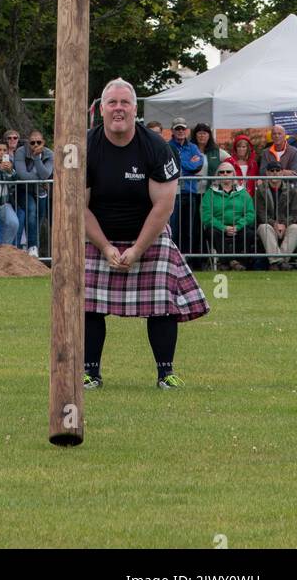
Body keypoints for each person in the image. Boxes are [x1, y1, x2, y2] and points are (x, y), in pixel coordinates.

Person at [85, 79, 209, 391]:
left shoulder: (157, 147)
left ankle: (165, 373)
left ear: (135, 109)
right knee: (86, 304)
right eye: (112, 103)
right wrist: (104, 246)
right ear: (101, 109)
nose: (118, 109)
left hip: (149, 235)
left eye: (124, 103)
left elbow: (164, 206)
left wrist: (138, 249)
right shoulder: (86, 145)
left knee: (163, 304)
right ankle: (90, 373)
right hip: (99, 235)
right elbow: (76, 206)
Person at [200, 160, 256, 269]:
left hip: (238, 227)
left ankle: (239, 261)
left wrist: (237, 226)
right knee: (212, 231)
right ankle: (229, 262)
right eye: (222, 172)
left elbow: (250, 214)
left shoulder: (243, 193)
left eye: (228, 171)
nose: (225, 174)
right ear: (217, 175)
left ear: (233, 174)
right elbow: (206, 216)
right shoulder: (210, 193)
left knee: (248, 233)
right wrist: (224, 227)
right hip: (218, 227)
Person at [14, 129, 53, 257]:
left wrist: (37, 159)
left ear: (43, 142)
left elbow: (46, 174)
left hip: (41, 191)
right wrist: (40, 178)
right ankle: (32, 246)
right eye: (32, 142)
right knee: (31, 211)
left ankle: (34, 247)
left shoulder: (49, 154)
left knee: (39, 219)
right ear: (27, 143)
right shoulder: (20, 152)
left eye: (38, 142)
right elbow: (22, 175)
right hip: (24, 190)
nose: (35, 145)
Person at [168, 119, 203, 258]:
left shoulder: (193, 147)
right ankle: (173, 258)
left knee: (189, 229)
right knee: (174, 228)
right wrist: (188, 163)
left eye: (183, 129)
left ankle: (187, 259)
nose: (180, 131)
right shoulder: (167, 146)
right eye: (177, 129)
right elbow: (170, 167)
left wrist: (181, 163)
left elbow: (197, 166)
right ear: (172, 131)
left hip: (190, 192)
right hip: (173, 193)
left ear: (186, 130)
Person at [256, 162, 297, 268]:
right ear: (267, 173)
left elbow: (295, 213)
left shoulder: (291, 190)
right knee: (264, 227)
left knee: (295, 228)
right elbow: (261, 214)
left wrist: (284, 224)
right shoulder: (260, 191)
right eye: (272, 171)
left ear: (282, 172)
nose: (275, 173)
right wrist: (274, 224)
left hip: (286, 225)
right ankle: (280, 262)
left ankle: (278, 263)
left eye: (277, 170)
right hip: (269, 225)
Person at [191, 123, 230, 188]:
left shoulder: (217, 152)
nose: (202, 136)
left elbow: (232, 163)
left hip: (211, 191)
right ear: (195, 135)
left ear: (209, 136)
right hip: (192, 192)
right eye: (199, 133)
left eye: (204, 133)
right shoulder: (189, 151)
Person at [230, 133, 260, 198]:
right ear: (236, 148)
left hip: (250, 195)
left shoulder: (253, 163)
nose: (241, 149)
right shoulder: (230, 162)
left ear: (247, 148)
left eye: (243, 147)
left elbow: (257, 178)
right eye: (239, 147)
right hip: (234, 195)